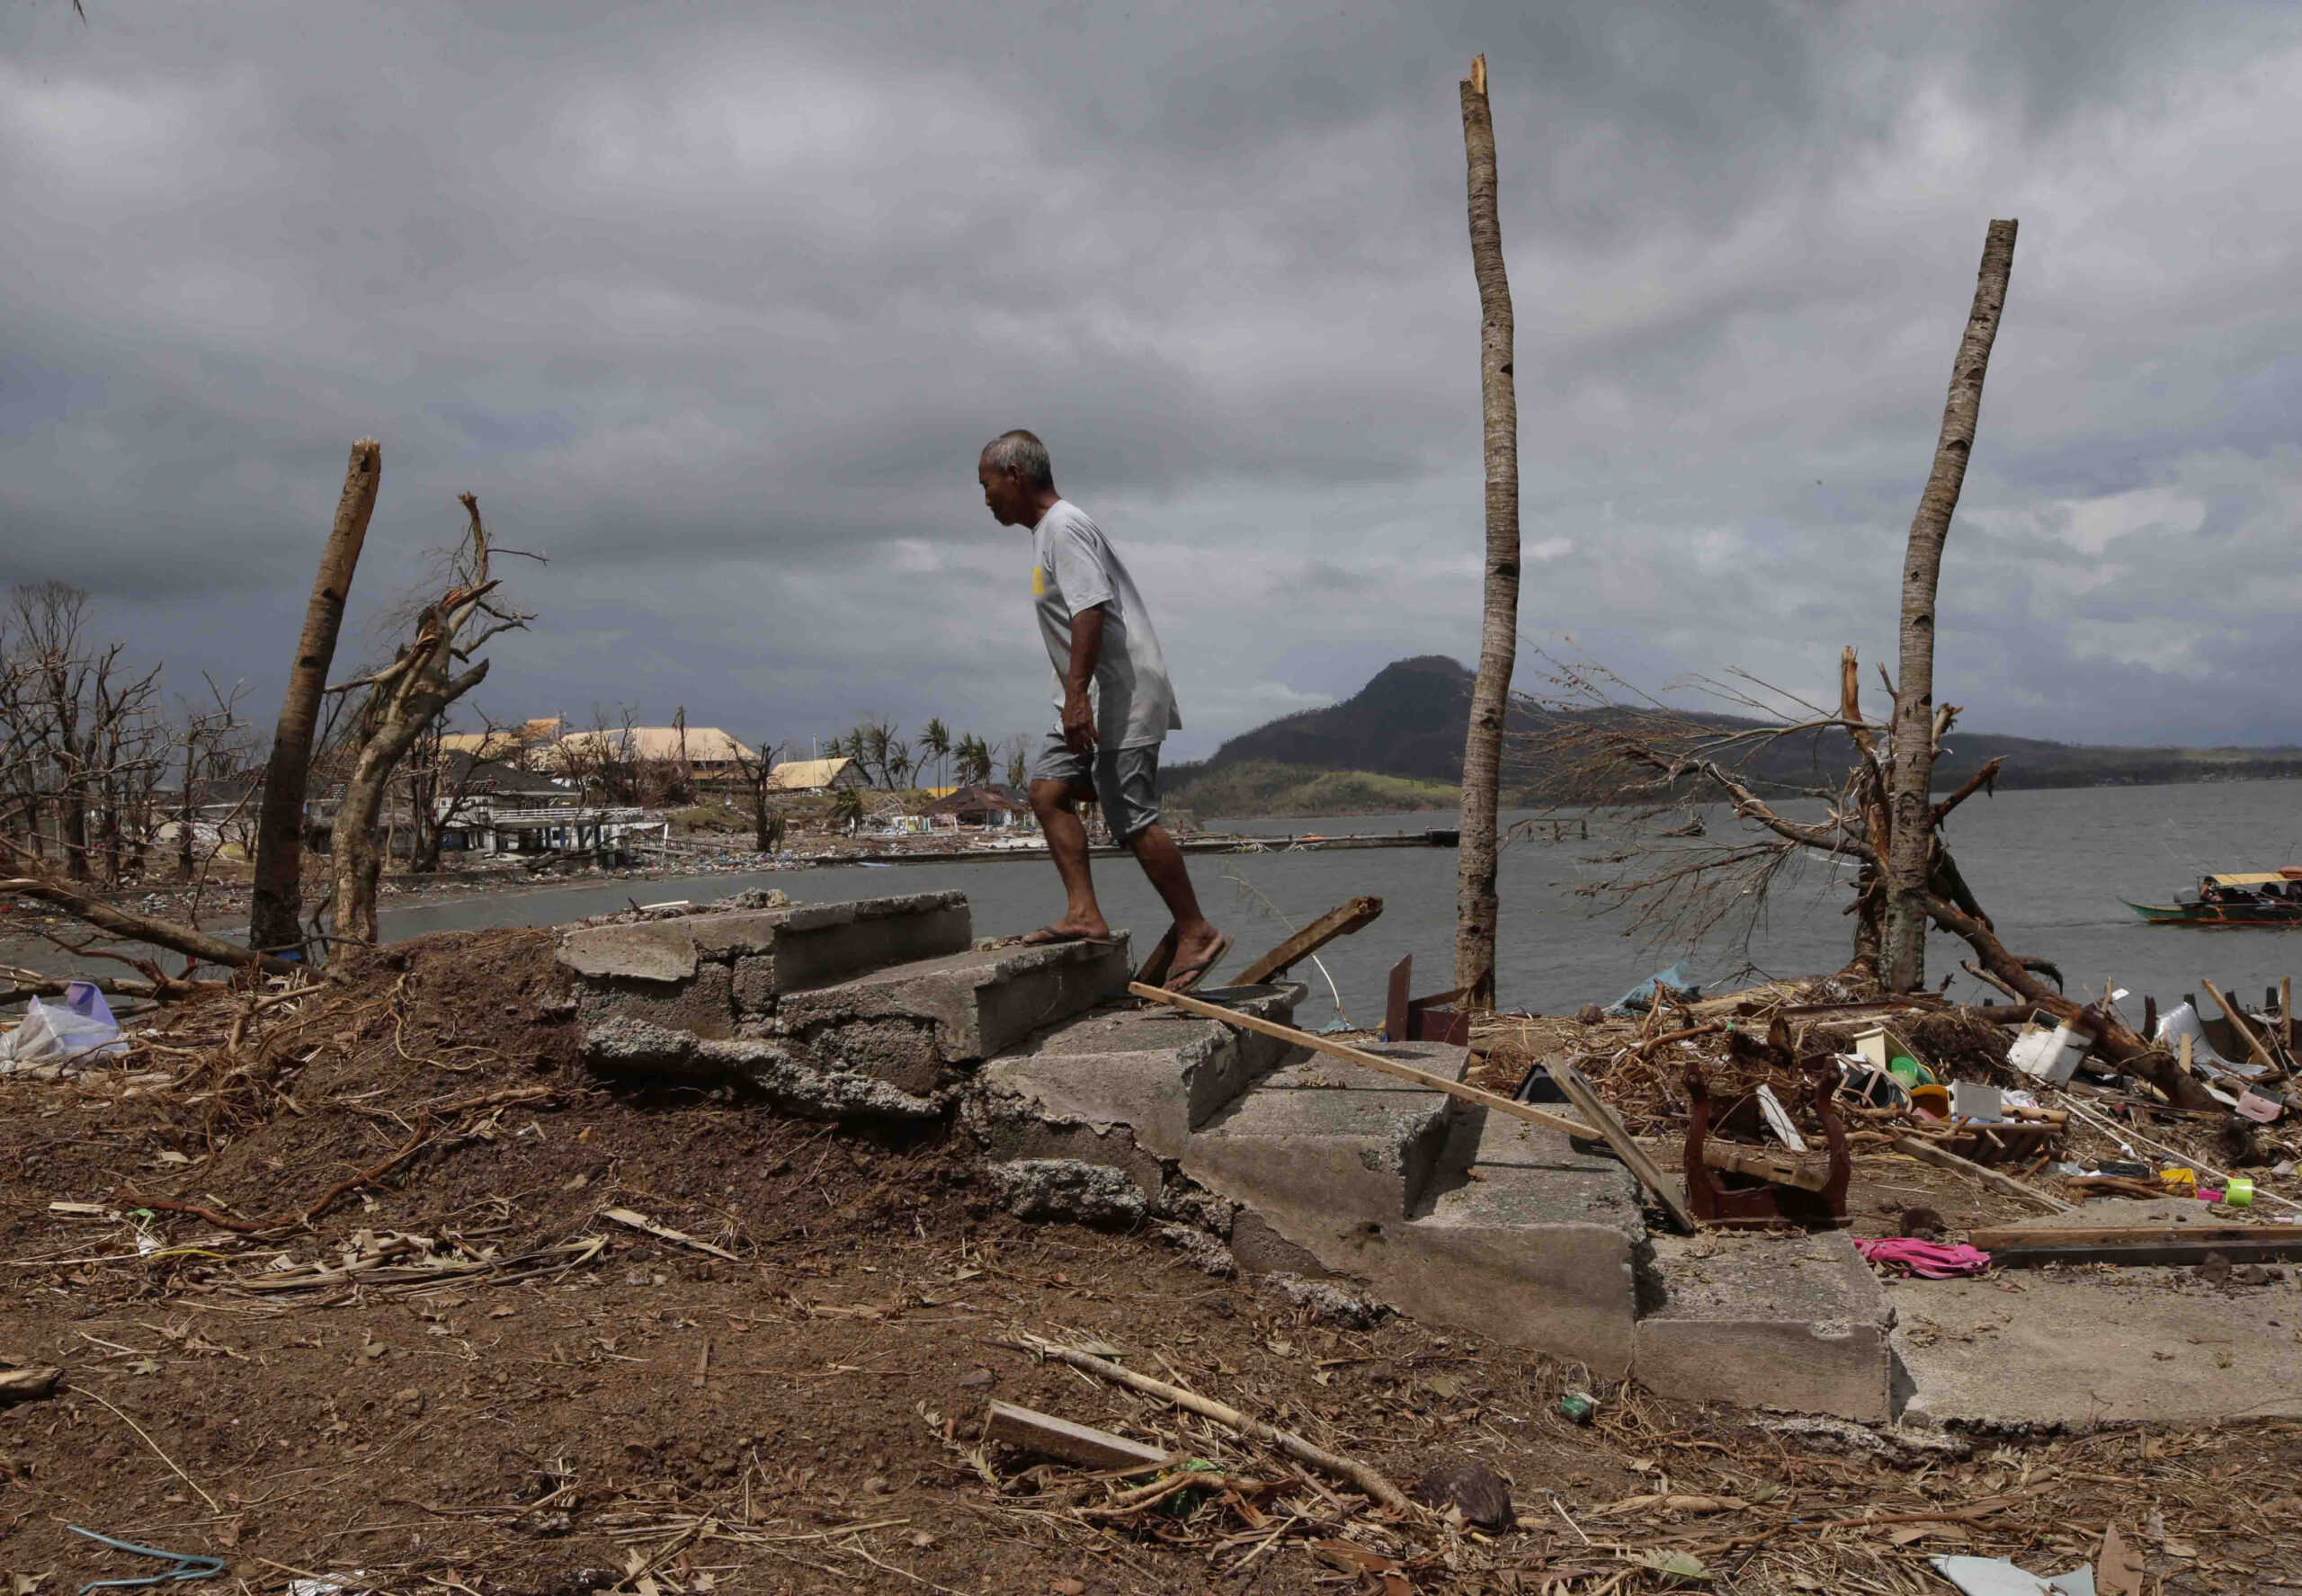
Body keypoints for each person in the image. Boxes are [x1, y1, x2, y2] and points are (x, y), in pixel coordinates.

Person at [976, 429, 1230, 992]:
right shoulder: (1046, 533)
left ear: (1015, 476)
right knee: (1047, 792)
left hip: (1119, 692)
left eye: (987, 484)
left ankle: (1197, 930)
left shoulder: (1064, 527)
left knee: (1130, 815)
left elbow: (1089, 609)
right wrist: (1071, 698)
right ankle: (1085, 914)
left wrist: (1076, 697)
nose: (986, 498)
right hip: (1086, 694)